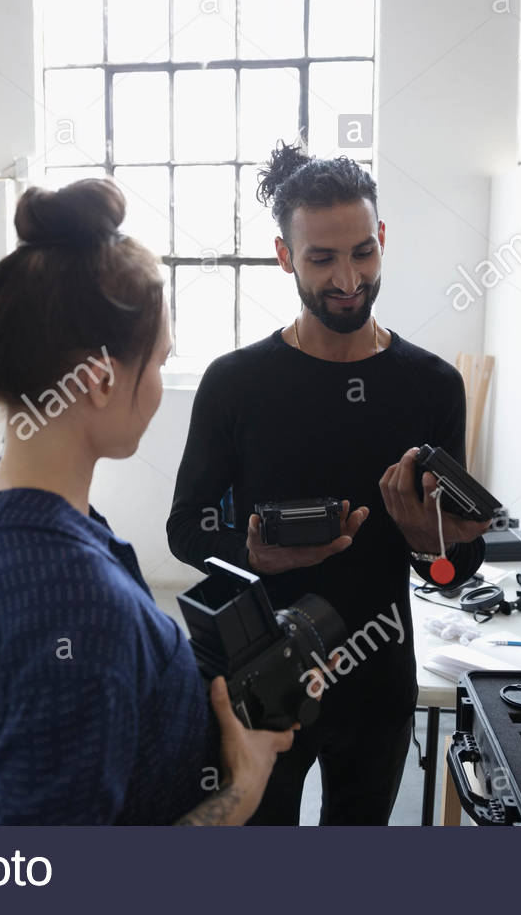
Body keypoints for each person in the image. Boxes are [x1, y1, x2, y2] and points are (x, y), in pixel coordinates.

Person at [0, 177, 297, 825]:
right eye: (160, 362)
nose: (161, 384)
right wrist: (242, 788)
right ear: (102, 380)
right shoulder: (79, 605)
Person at [166, 142, 490, 825]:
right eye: (321, 259)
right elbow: (186, 527)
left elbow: (450, 569)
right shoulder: (236, 384)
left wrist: (428, 541)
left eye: (363, 253)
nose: (348, 278)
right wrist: (255, 554)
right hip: (263, 670)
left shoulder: (432, 386)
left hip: (378, 670)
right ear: (284, 255)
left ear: (382, 240)